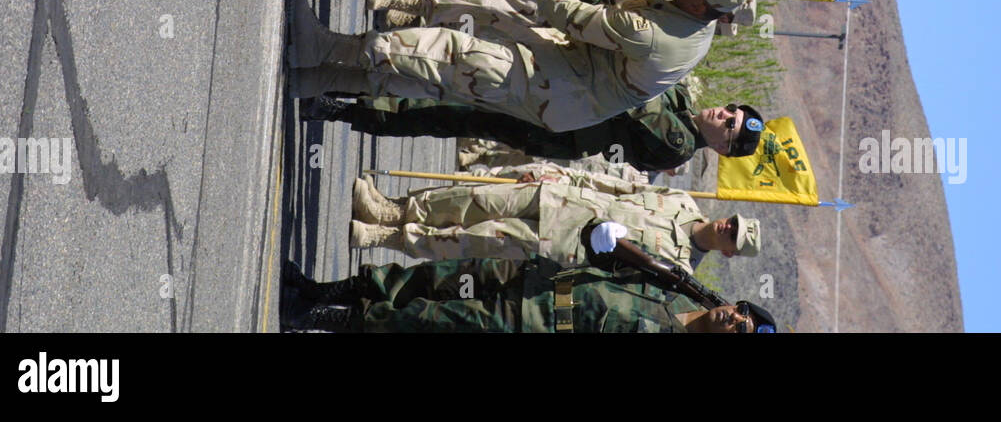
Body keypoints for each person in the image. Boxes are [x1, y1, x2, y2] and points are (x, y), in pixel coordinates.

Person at [285, 0, 754, 131]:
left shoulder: (658, 37)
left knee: (453, 57)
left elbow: (569, 15)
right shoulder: (695, 9)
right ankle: (319, 79)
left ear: (700, 5)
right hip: (571, 66)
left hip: (558, 87)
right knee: (465, 46)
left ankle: (321, 49)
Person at [346, 159, 761, 276]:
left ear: (728, 253)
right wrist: (562, 175)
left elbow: (614, 274)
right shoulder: (682, 200)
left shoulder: (677, 267)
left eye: (734, 237)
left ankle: (382, 237)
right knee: (470, 197)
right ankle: (389, 209)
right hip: (560, 196)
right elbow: (615, 187)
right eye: (734, 222)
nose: (728, 227)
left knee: (471, 237)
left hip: (558, 244)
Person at [280, 252, 776, 332]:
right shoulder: (678, 288)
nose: (734, 319)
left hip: (527, 324)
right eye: (741, 312)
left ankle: (318, 318)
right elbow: (612, 259)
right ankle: (319, 289)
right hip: (537, 280)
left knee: (428, 320)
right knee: (431, 278)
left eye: (741, 330)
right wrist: (605, 239)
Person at [302, 91, 764, 172]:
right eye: (731, 110)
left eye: (729, 125)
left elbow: (632, 96)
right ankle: (355, 90)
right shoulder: (682, 102)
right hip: (558, 100)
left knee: (451, 114)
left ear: (722, 149)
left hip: (552, 126)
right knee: (453, 83)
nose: (724, 114)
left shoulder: (678, 144)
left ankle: (346, 112)